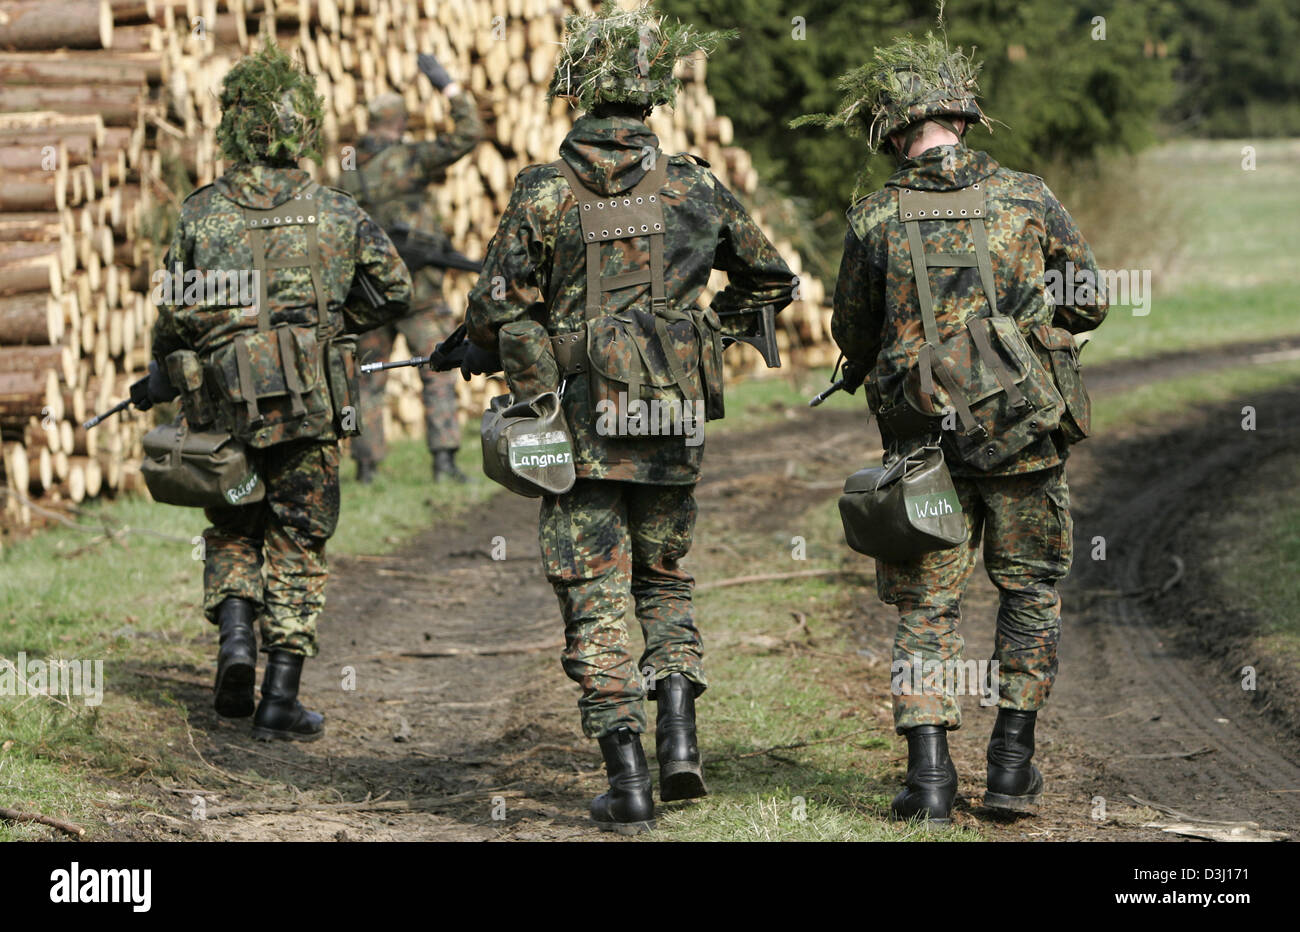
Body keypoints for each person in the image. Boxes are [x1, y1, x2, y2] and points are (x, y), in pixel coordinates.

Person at [465, 1, 795, 833]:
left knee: (594, 593)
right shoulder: (694, 185)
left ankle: (630, 780)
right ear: (653, 94)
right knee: (665, 580)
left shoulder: (544, 192)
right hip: (670, 422)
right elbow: (773, 279)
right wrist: (694, 338)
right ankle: (680, 740)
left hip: (579, 435)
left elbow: (496, 306)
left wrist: (493, 344)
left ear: (577, 93)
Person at [810, 33, 1107, 822]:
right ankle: (1011, 769)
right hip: (1024, 439)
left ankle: (932, 783)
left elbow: (853, 332)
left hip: (921, 449)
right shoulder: (1028, 196)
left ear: (893, 130)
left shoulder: (874, 214)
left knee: (926, 609)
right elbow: (1090, 300)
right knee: (1031, 593)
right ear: (963, 118)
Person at [149, 42, 412, 740]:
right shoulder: (335, 209)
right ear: (303, 126)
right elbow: (395, 290)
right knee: (299, 538)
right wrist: (326, 330)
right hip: (309, 409)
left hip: (223, 410)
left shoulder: (200, 213)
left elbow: (172, 317)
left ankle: (236, 643)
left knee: (234, 526)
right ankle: (279, 699)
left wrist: (158, 377)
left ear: (233, 127)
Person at [342, 52, 484, 483]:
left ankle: (367, 467)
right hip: (420, 293)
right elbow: (468, 134)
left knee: (366, 376)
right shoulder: (409, 160)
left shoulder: (350, 171)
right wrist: (450, 89)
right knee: (436, 367)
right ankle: (443, 462)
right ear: (400, 123)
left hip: (370, 294)